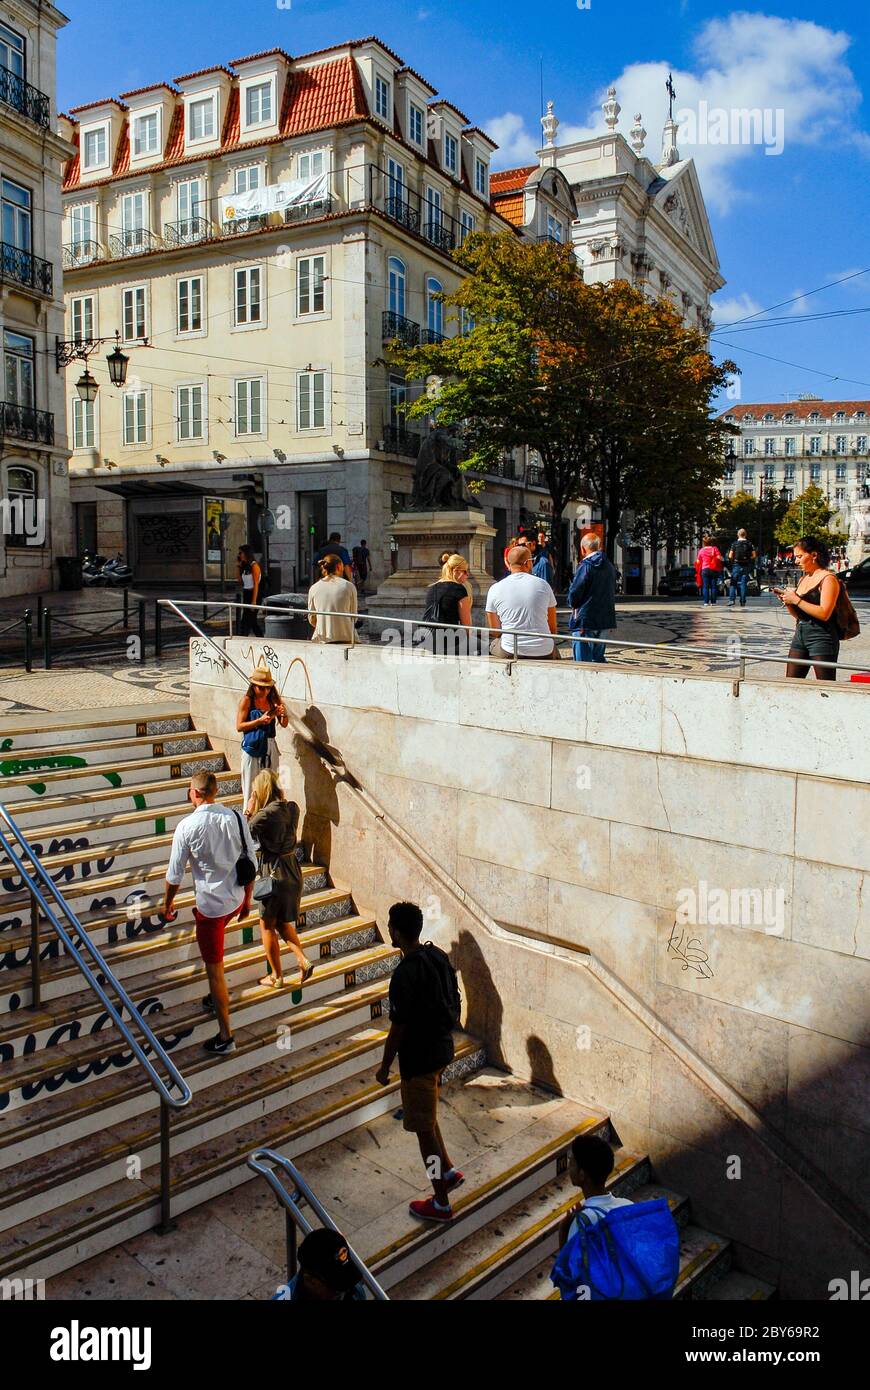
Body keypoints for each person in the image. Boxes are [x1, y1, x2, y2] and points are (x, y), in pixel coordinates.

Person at [375, 901, 464, 1223]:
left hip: (419, 1060)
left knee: (423, 1132)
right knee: (428, 1117)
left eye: (390, 925)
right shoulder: (436, 955)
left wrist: (385, 1066)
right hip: (442, 1049)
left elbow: (398, 1028)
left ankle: (440, 1201)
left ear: (396, 932)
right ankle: (449, 1171)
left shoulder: (405, 974)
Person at [162, 770, 255, 1054]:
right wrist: (248, 900)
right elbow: (250, 860)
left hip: (211, 910)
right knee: (216, 965)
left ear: (195, 793)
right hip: (235, 900)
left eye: (190, 790)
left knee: (215, 971)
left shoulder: (186, 827)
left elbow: (174, 876)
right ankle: (215, 998)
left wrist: (167, 905)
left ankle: (226, 1037)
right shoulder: (237, 818)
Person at [246, 768, 312, 989]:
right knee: (283, 923)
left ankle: (276, 976)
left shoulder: (264, 815)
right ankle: (302, 959)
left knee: (266, 925)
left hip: (273, 872)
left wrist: (249, 810)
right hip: (292, 869)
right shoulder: (292, 808)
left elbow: (245, 833)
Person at [774, 535, 841, 681]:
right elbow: (799, 615)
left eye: (799, 556)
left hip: (822, 635)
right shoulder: (804, 578)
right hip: (801, 632)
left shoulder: (828, 578)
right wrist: (789, 602)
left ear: (814, 555)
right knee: (792, 682)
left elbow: (825, 613)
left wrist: (796, 600)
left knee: (825, 684)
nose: (796, 561)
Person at [556, 1133, 633, 1252]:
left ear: (582, 1174)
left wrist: (563, 1231)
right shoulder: (627, 1204)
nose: (568, 1168)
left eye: (571, 1162)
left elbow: (569, 1269)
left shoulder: (583, 1223)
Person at [485, 544, 559, 660]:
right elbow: (553, 628)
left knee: (493, 644)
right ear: (528, 563)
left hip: (510, 649)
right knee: (553, 649)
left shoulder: (495, 588)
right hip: (544, 650)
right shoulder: (543, 585)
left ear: (508, 564)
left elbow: (495, 631)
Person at [236, 665, 289, 807]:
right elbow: (239, 726)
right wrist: (259, 721)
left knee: (273, 785)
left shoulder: (273, 700)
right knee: (250, 788)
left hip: (270, 746)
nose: (265, 691)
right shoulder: (247, 701)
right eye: (261, 688)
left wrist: (282, 712)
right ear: (253, 686)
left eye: (268, 688)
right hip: (252, 748)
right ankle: (248, 821)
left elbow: (284, 724)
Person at [273, 1229, 366, 1301]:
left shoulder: (353, 1291)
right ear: (310, 1280)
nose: (343, 1291)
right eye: (336, 1287)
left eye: (347, 1276)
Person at [567, 533, 617, 664]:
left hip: (585, 620)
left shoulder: (586, 566)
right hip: (605, 620)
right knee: (598, 660)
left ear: (583, 549)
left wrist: (572, 603)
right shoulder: (610, 566)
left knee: (582, 663)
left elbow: (575, 592)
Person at [422, 553, 472, 655]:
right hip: (448, 641)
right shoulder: (459, 589)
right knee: (482, 647)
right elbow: (466, 625)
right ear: (456, 570)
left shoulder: (433, 587)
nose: (468, 575)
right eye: (465, 571)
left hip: (427, 639)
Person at [308, 552, 358, 642]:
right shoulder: (349, 586)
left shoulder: (314, 588)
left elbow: (312, 619)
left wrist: (325, 624)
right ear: (339, 566)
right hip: (347, 637)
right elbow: (354, 617)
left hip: (322, 638)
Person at [237, 545, 262, 636]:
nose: (240, 555)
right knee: (250, 620)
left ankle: (244, 636)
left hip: (254, 594)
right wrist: (239, 566)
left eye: (241, 553)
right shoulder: (245, 566)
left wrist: (254, 601)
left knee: (249, 620)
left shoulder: (254, 566)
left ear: (246, 553)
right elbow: (240, 580)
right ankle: (259, 637)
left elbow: (256, 584)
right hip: (246, 593)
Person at [727, 529, 756, 608]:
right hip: (745, 566)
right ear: (745, 534)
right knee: (743, 584)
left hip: (736, 565)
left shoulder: (734, 544)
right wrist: (748, 558)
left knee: (733, 583)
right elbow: (754, 555)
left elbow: (730, 555)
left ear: (738, 535)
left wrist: (733, 560)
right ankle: (742, 601)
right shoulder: (749, 544)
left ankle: (732, 600)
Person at [695, 534, 724, 606]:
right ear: (711, 542)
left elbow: (698, 561)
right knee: (714, 586)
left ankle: (706, 602)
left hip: (704, 569)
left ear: (704, 543)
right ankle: (713, 602)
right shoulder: (714, 549)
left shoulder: (701, 550)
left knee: (705, 586)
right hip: (713, 569)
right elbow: (719, 558)